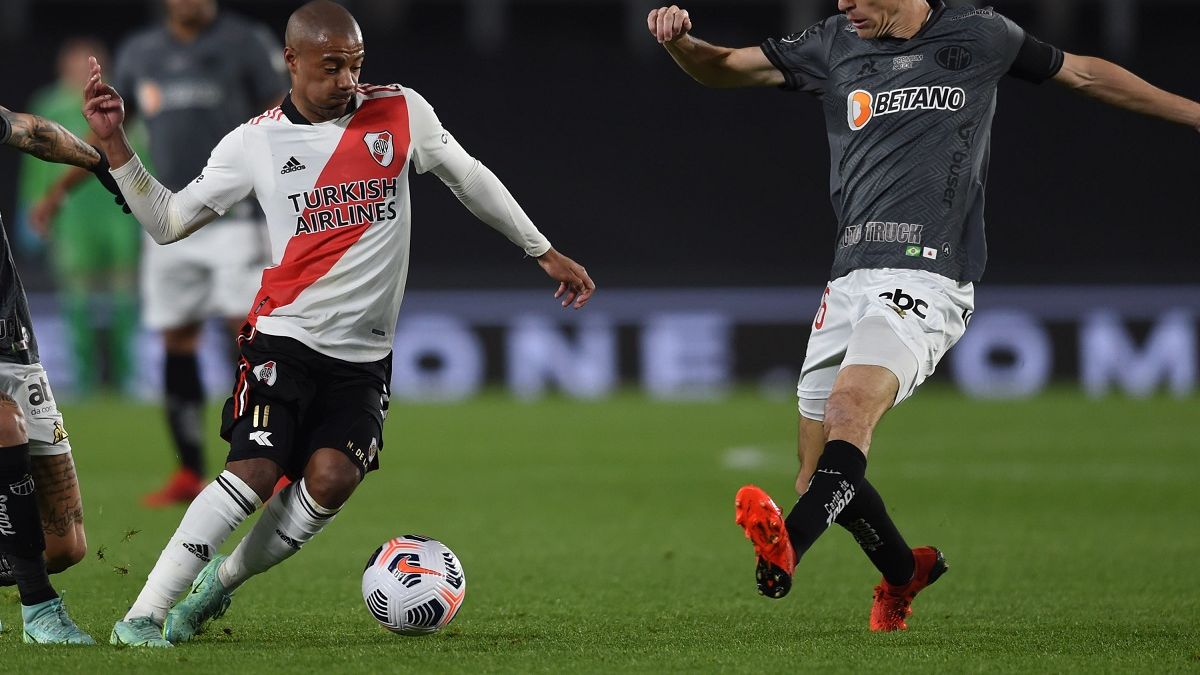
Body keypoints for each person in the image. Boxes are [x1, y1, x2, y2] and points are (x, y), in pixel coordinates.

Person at [647, 0, 1200, 631]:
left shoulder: (981, 35)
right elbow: (723, 67)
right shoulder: (832, 42)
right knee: (817, 476)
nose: (843, 5)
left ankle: (788, 548)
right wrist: (680, 42)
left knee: (850, 409)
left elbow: (1085, 74)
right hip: (848, 276)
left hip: (928, 273)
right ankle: (905, 571)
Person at [86, 0, 595, 648]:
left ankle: (220, 583)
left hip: (363, 359)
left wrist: (542, 250)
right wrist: (115, 144)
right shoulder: (255, 142)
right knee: (255, 471)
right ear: (291, 61)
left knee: (331, 481)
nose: (347, 81)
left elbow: (469, 177)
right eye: (331, 67)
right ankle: (144, 613)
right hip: (284, 336)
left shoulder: (401, 111)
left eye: (355, 65)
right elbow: (167, 221)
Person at [41, 0, 289, 507]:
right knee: (178, 337)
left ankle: (270, 459)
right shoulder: (141, 51)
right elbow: (105, 131)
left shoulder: (245, 41)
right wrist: (61, 188)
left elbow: (283, 113)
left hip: (235, 214)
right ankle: (189, 470)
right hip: (168, 213)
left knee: (246, 333)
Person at [0, 105, 129, 643]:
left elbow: (33, 131)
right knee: (4, 426)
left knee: (64, 545)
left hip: (11, 336)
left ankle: (33, 582)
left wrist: (98, 162)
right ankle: (40, 610)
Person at [22, 38, 140, 398]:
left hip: (117, 214)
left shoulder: (116, 102)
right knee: (77, 300)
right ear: (62, 68)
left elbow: (142, 152)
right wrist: (34, 207)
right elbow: (34, 162)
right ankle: (85, 381)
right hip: (73, 218)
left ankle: (125, 378)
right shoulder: (48, 104)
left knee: (124, 298)